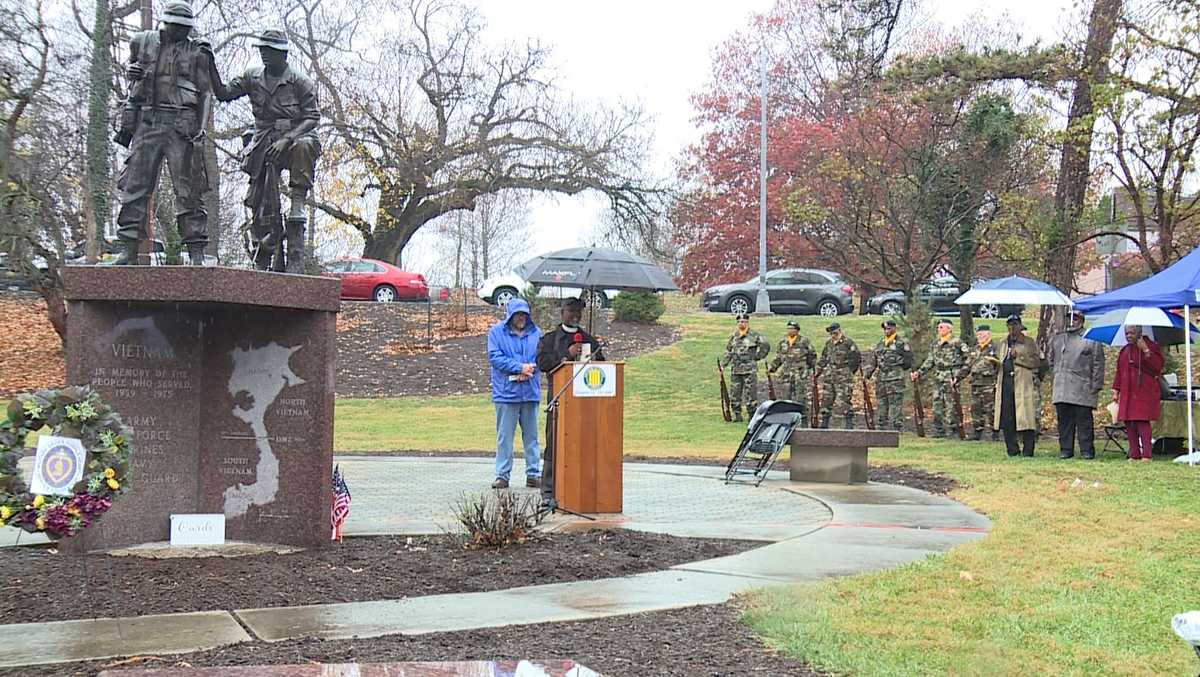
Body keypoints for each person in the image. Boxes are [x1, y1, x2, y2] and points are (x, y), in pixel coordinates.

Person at [209, 30, 321, 273]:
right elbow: (224, 93)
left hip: (296, 135)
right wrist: (209, 64)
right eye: (262, 49)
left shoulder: (301, 82)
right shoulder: (253, 76)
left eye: (269, 49)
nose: (263, 53)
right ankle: (262, 255)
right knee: (259, 202)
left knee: (304, 146)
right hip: (263, 138)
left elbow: (312, 117)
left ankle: (298, 201)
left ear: (282, 54)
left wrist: (288, 139)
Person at [113, 0, 215, 266]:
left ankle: (195, 252)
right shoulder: (141, 42)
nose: (181, 32)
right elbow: (133, 76)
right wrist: (131, 72)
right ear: (166, 22)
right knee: (135, 185)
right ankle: (127, 249)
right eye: (176, 26)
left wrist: (201, 127)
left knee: (189, 190)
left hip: (182, 124)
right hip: (148, 120)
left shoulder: (197, 51)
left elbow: (205, 93)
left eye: (185, 28)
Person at [535, 297, 605, 506]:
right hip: (558, 400)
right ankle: (548, 491)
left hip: (584, 403)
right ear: (562, 312)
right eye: (571, 311)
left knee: (582, 443)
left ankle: (580, 487)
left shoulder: (588, 339)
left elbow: (602, 364)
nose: (575, 315)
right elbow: (543, 363)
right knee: (554, 443)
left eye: (578, 312)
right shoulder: (549, 339)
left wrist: (594, 355)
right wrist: (567, 354)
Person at [486, 298, 542, 489]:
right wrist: (518, 368)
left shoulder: (536, 333)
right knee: (504, 437)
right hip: (506, 394)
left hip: (530, 393)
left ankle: (534, 474)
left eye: (524, 314)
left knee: (532, 437)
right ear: (510, 315)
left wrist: (530, 369)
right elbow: (495, 357)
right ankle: (502, 475)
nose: (521, 318)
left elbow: (542, 357)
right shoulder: (496, 333)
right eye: (518, 314)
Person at [1048, 310, 1106, 459]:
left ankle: (1087, 450)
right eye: (1070, 318)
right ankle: (1066, 449)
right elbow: (1051, 360)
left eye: (1076, 318)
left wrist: (1096, 385)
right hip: (1062, 386)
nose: (1072, 321)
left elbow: (1098, 363)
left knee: (1084, 421)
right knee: (1064, 421)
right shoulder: (1058, 339)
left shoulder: (1091, 339)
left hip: (1083, 386)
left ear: (1082, 320)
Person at [1112, 325, 1165, 462]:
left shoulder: (1151, 346)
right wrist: (1115, 390)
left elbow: (1158, 367)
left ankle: (1146, 454)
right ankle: (1134, 453)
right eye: (1127, 333)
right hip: (1128, 391)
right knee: (1129, 422)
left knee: (1142, 421)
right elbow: (1120, 371)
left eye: (1132, 333)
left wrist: (1146, 350)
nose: (1129, 336)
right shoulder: (1125, 350)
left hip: (1144, 391)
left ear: (1139, 333)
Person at [911, 319, 970, 438]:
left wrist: (960, 375)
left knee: (951, 404)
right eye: (938, 327)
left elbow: (968, 359)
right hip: (938, 377)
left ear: (949, 329)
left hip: (951, 376)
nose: (939, 329)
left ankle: (953, 430)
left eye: (942, 327)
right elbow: (930, 360)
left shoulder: (957, 343)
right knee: (937, 404)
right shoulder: (935, 344)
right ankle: (939, 430)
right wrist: (919, 372)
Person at [994, 314, 1041, 457]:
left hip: (1022, 385)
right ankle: (1012, 449)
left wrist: (1019, 358)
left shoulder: (1028, 342)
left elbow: (1036, 362)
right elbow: (999, 360)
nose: (1012, 328)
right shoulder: (1003, 342)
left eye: (1015, 324)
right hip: (1006, 383)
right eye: (1009, 325)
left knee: (1025, 418)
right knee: (1007, 417)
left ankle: (1028, 450)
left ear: (1020, 326)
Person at [719, 313, 769, 422]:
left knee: (750, 393)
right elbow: (729, 352)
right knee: (735, 393)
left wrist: (757, 357)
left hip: (749, 370)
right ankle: (737, 415)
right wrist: (723, 365)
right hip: (736, 370)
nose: (742, 323)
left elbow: (765, 345)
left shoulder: (754, 335)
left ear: (747, 322)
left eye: (744, 321)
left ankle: (752, 415)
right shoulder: (734, 336)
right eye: (740, 322)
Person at [865, 319, 912, 431]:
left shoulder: (901, 343)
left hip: (895, 377)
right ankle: (881, 425)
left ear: (894, 328)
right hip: (882, 378)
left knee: (895, 402)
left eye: (889, 328)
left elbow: (908, 360)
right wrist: (868, 374)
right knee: (881, 402)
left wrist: (899, 368)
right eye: (885, 329)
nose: (887, 331)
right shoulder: (881, 343)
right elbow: (874, 360)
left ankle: (897, 426)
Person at [766, 321, 816, 423]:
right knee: (785, 397)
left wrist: (809, 367)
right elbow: (779, 357)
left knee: (801, 398)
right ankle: (786, 420)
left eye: (792, 328)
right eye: (788, 328)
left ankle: (803, 420)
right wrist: (772, 368)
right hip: (786, 375)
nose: (790, 330)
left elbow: (812, 355)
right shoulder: (783, 342)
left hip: (800, 374)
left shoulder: (804, 341)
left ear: (797, 330)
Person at [817, 322, 860, 429]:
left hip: (843, 376)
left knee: (844, 399)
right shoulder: (829, 343)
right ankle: (824, 422)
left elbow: (856, 359)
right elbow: (823, 358)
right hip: (830, 376)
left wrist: (849, 371)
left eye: (835, 333)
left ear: (840, 331)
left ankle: (848, 424)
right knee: (827, 399)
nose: (833, 335)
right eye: (831, 333)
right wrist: (818, 370)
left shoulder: (848, 343)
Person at [968, 324, 1000, 441]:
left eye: (981, 334)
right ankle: (977, 431)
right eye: (978, 334)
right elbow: (968, 365)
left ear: (988, 334)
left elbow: (1001, 365)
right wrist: (957, 377)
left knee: (991, 409)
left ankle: (995, 432)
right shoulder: (975, 349)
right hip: (976, 383)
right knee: (976, 408)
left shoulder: (995, 348)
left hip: (989, 383)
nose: (979, 336)